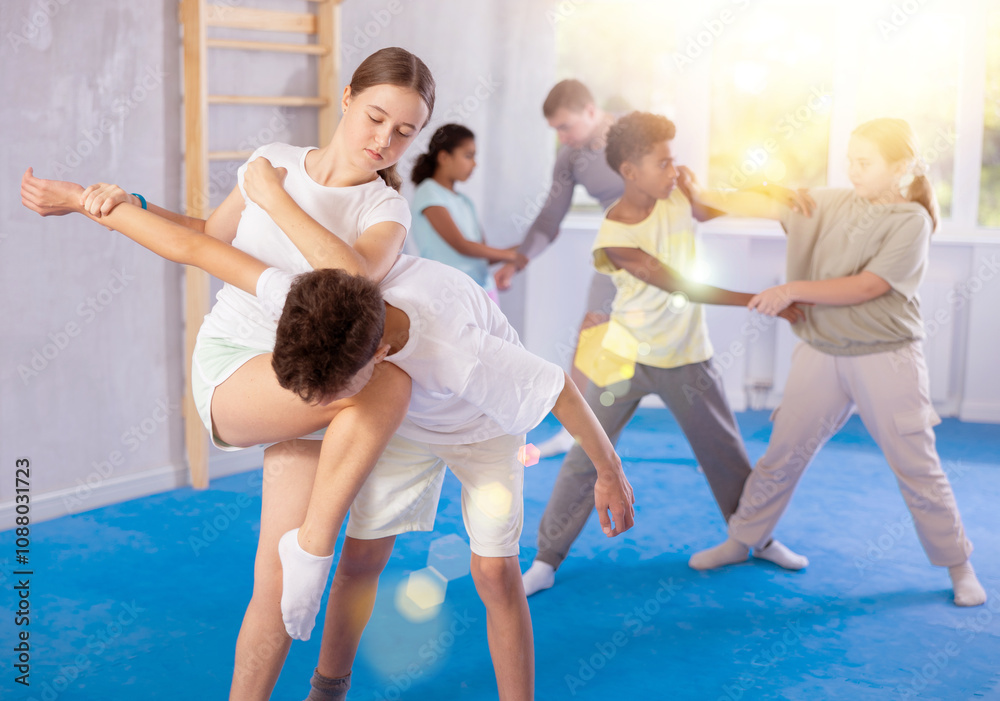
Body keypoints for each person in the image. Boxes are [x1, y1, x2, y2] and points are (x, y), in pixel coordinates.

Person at [21, 167, 635, 701]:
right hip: (412, 424)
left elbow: (559, 388)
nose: (330, 408)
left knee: (494, 574)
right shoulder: (315, 297)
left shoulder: (457, 351)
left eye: (339, 393)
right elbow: (196, 248)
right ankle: (327, 689)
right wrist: (87, 201)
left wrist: (609, 472)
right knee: (362, 557)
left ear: (379, 355)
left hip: (481, 429)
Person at [683, 118, 986, 608]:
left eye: (864, 163)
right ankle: (743, 540)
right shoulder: (828, 202)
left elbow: (867, 286)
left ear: (901, 167)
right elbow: (758, 204)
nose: (852, 171)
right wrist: (701, 188)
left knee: (917, 466)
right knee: (782, 452)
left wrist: (790, 290)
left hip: (887, 359)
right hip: (821, 354)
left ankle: (959, 566)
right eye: (850, 160)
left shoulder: (912, 221)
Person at [521, 112, 809, 597]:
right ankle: (546, 560)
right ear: (630, 171)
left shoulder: (677, 195)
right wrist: (761, 301)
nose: (673, 170)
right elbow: (679, 285)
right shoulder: (614, 235)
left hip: (686, 357)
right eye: (663, 162)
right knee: (585, 457)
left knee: (726, 454)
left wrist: (775, 193)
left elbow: (716, 205)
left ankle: (756, 539)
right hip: (624, 358)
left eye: (674, 160)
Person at [497, 80, 722, 457]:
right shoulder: (569, 158)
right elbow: (549, 219)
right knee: (593, 328)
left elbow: (679, 183)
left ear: (591, 111)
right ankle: (574, 434)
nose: (562, 137)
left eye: (565, 126)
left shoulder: (635, 132)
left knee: (683, 347)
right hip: (618, 247)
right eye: (555, 130)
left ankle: (712, 444)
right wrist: (519, 260)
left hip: (666, 244)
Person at [408, 123, 524, 301]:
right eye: (468, 156)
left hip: (484, 292)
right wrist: (512, 255)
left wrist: (522, 250)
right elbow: (461, 245)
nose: (475, 164)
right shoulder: (429, 192)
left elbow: (482, 253)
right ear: (444, 157)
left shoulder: (466, 202)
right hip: (452, 295)